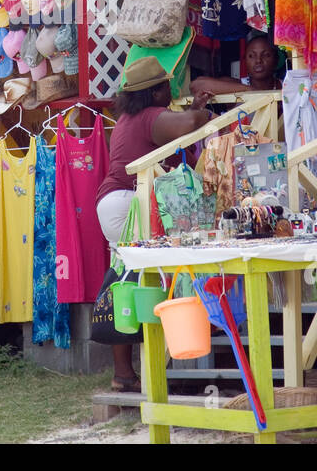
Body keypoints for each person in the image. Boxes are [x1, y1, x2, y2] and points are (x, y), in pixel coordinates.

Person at [95, 57, 212, 393]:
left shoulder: (129, 118)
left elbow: (178, 125)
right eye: (166, 86)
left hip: (113, 204)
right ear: (157, 91)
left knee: (126, 283)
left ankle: (125, 373)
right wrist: (202, 112)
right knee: (140, 285)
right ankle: (149, 370)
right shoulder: (149, 117)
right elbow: (189, 122)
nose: (169, 91)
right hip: (128, 203)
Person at [189, 35, 285, 98]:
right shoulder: (237, 85)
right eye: (251, 56)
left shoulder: (286, 86)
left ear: (276, 60)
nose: (258, 60)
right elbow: (196, 85)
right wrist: (248, 89)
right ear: (245, 61)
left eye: (266, 55)